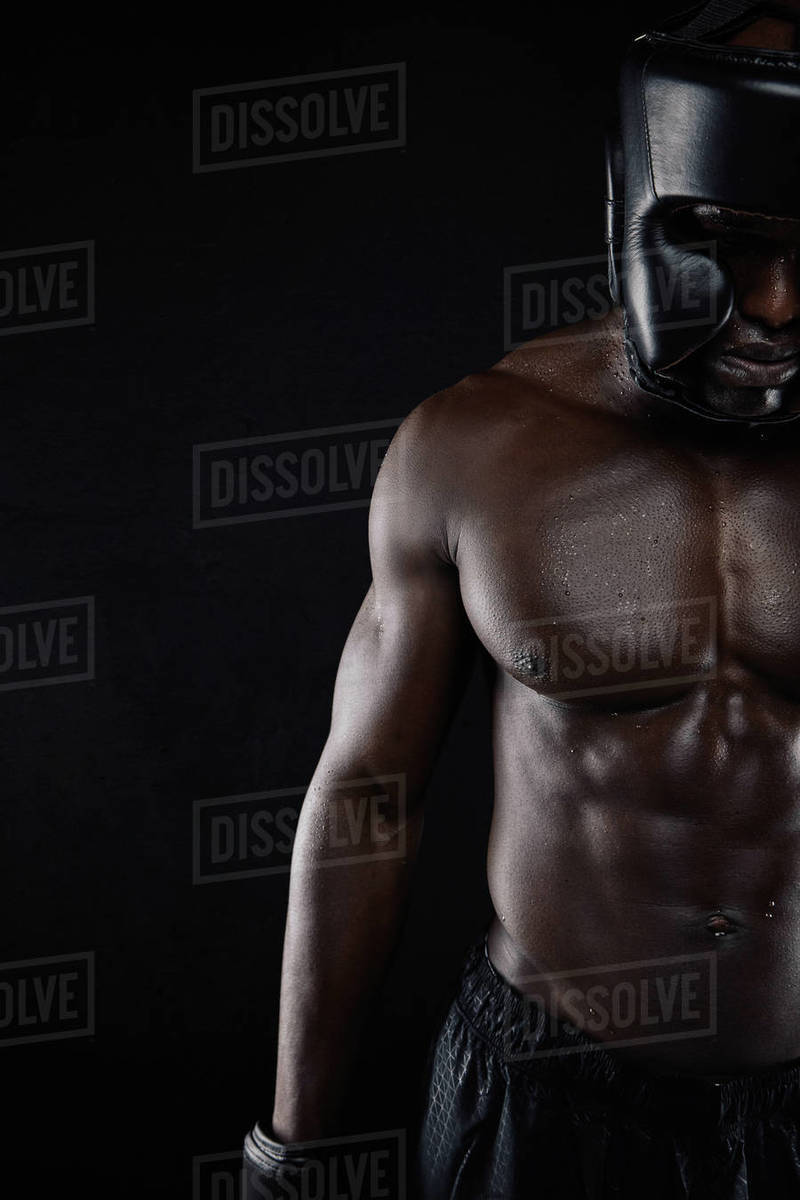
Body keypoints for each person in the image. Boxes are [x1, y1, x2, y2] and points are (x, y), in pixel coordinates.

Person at [244, 2, 800, 1195]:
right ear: (639, 202)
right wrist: (289, 1143)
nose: (773, 306)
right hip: (545, 1095)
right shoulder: (479, 445)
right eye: (729, 242)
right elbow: (369, 796)